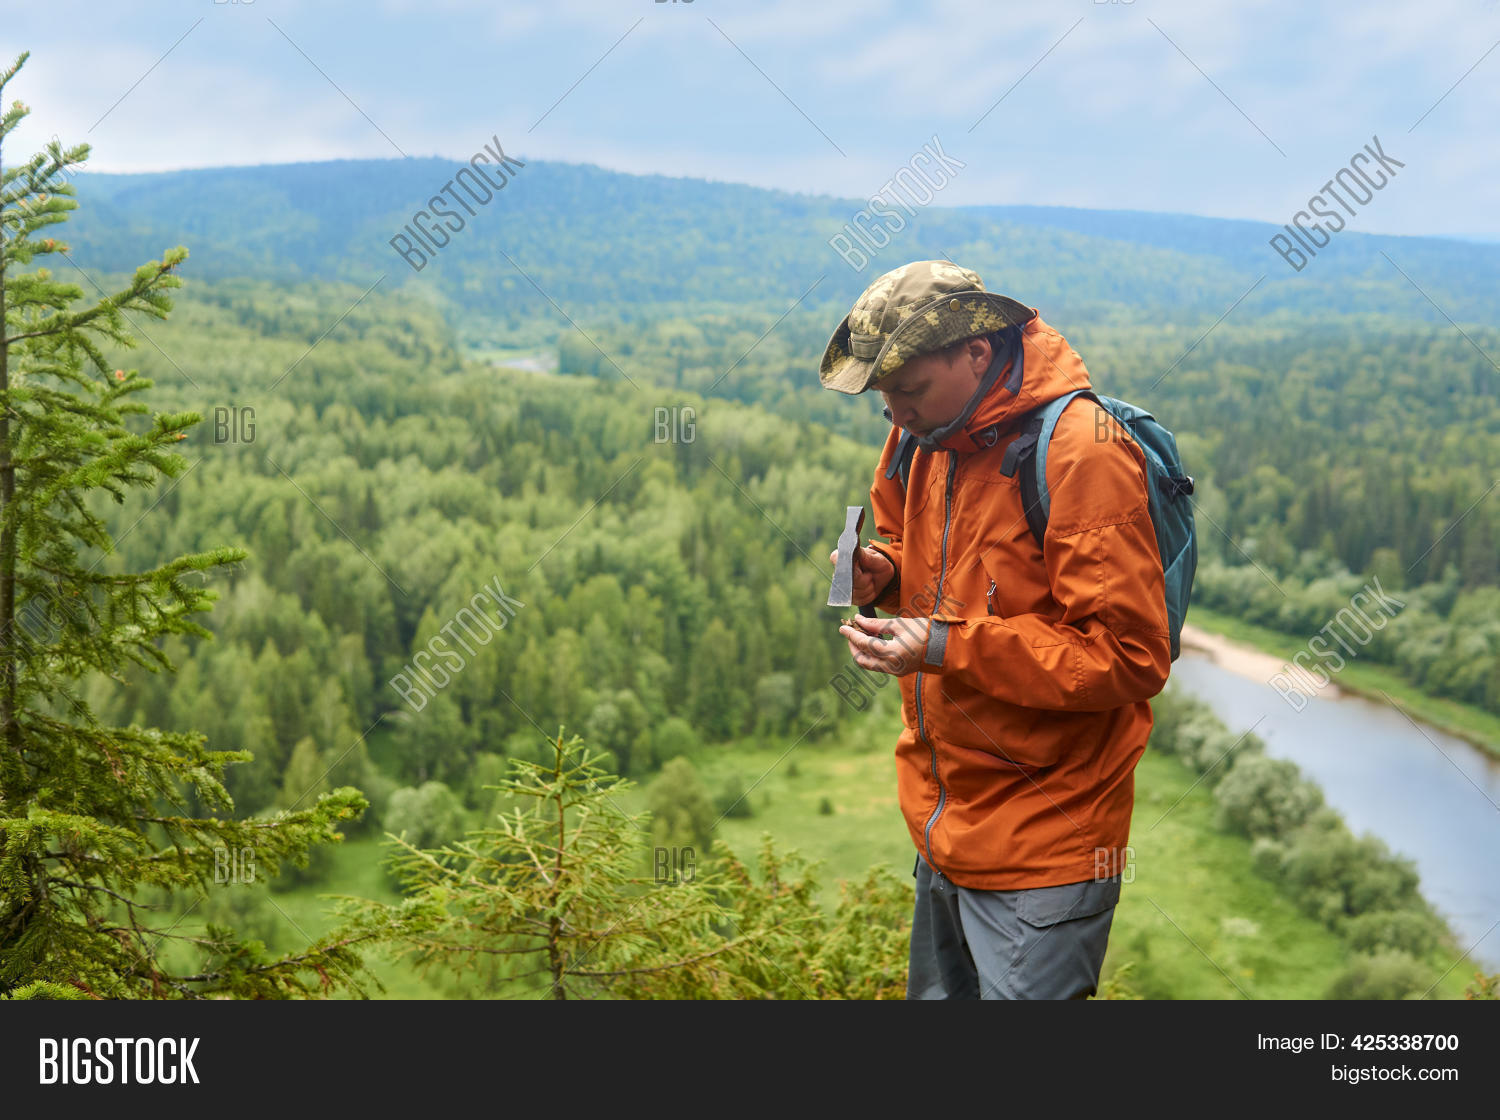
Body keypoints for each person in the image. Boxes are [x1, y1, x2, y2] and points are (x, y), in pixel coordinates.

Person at [820, 259, 1173, 999]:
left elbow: (1127, 657)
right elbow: (925, 557)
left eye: (909, 389)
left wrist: (944, 646)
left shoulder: (1083, 451)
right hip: (942, 830)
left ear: (976, 351)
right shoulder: (922, 437)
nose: (897, 413)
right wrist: (882, 575)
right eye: (884, 399)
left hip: (1046, 849)